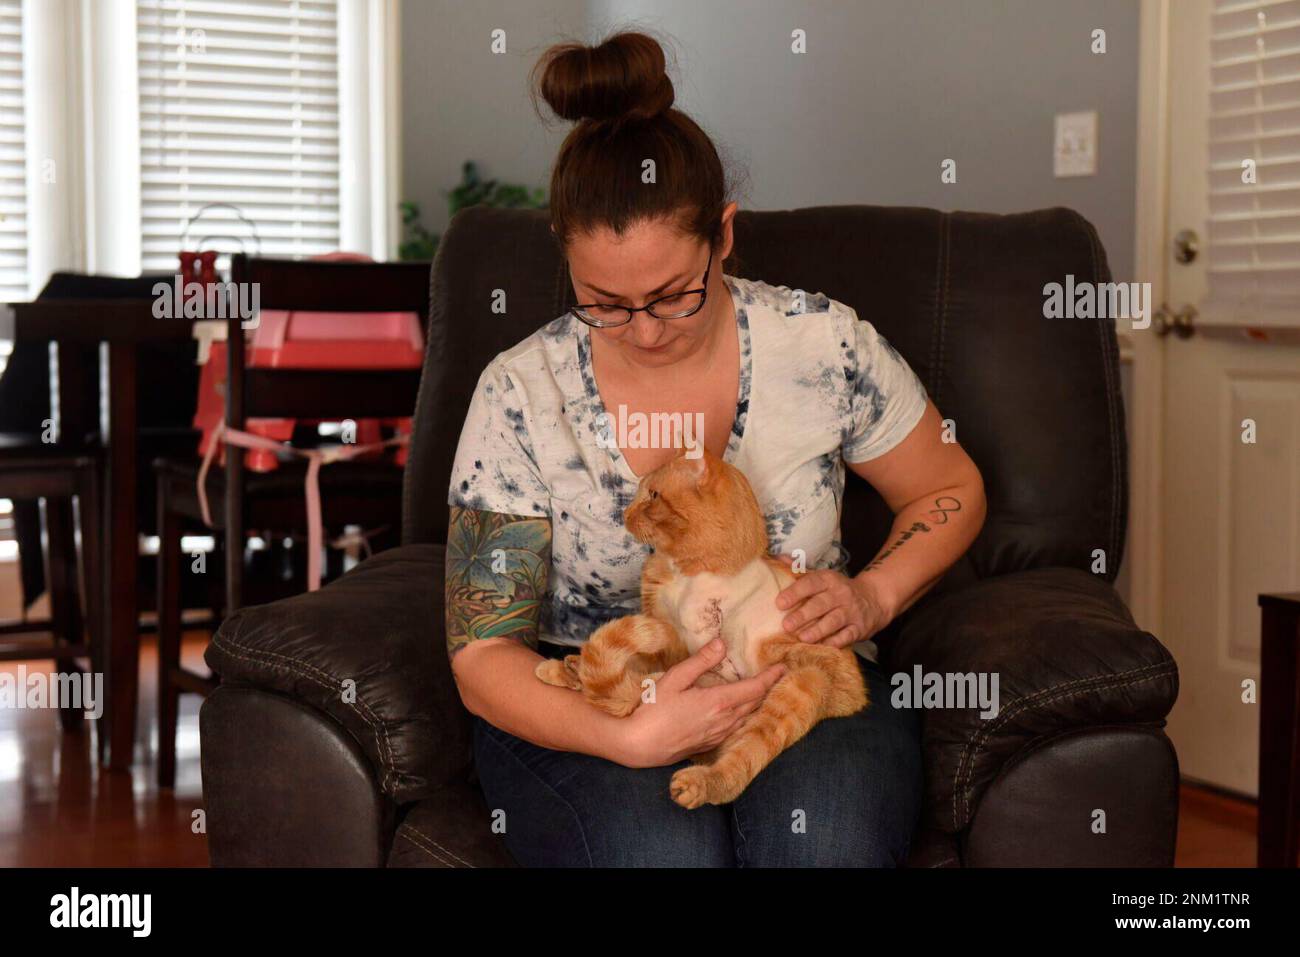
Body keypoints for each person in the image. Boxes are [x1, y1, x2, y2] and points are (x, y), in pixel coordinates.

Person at [444, 31, 986, 867]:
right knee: (665, 855)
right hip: (594, 692)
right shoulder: (520, 391)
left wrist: (873, 598)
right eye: (606, 303)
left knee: (828, 844)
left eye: (672, 295)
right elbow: (483, 653)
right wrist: (622, 733)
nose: (646, 330)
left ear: (723, 235)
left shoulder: (822, 343)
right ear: (564, 254)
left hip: (798, 674)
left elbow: (950, 486)